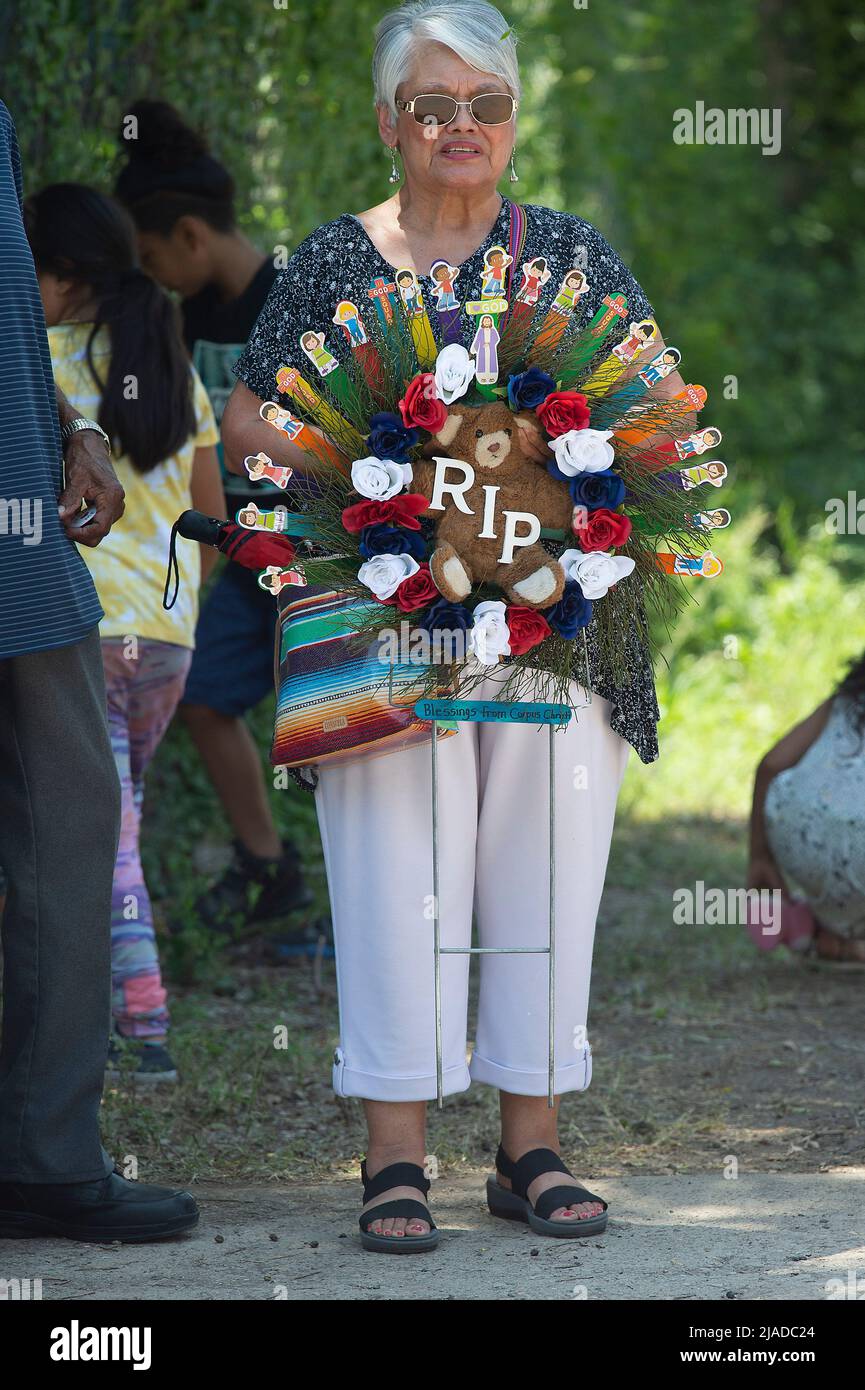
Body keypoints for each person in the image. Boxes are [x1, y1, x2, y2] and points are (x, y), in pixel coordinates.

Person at [222, 0, 689, 1252]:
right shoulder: (330, 261)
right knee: (391, 873)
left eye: (486, 103)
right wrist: (365, 472)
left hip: (553, 624)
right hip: (386, 623)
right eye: (434, 104)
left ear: (513, 118)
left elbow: (651, 405)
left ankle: (529, 1146)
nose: (461, 126)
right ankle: (395, 1157)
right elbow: (247, 425)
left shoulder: (572, 253)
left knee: (540, 868)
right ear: (389, 121)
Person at [0, 100, 198, 1240]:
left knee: (75, 824)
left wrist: (67, 424)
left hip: (35, 541)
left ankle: (43, 1145)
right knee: (79, 821)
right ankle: (41, 1146)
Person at [26, 182, 225, 1080]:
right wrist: (172, 614)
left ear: (62, 276)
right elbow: (210, 514)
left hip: (78, 628)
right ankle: (119, 1020)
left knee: (102, 840)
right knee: (120, 822)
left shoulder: (34, 365)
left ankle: (141, 1028)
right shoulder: (168, 359)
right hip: (164, 638)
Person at [114, 101, 309, 935]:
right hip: (238, 554)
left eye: (155, 256)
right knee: (201, 694)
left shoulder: (295, 299)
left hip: (319, 554)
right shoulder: (178, 320)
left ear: (191, 236)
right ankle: (270, 870)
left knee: (334, 723)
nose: (153, 275)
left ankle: (374, 892)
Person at [748, 651, 865, 964]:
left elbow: (771, 765)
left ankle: (832, 933)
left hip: (799, 841)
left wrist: (760, 856)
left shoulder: (846, 699)